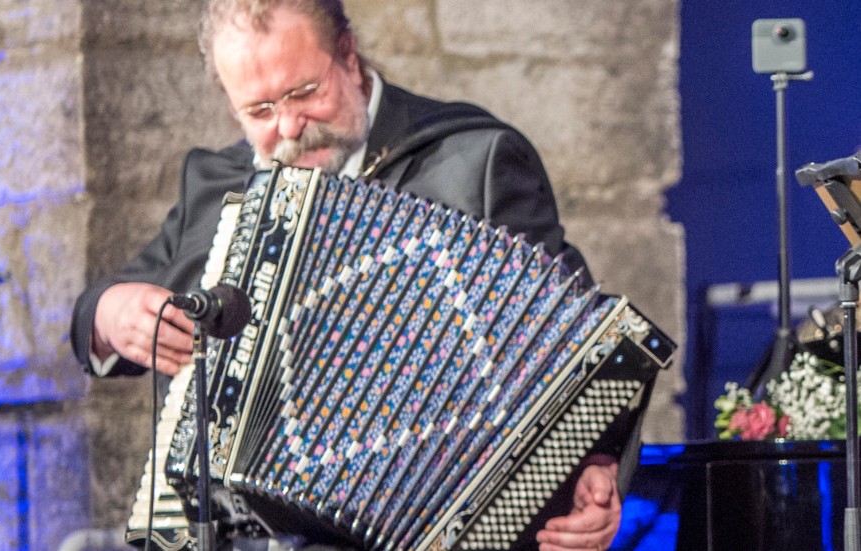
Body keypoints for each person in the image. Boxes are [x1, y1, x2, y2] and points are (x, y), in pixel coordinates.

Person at [71, 0, 625, 549]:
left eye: (305, 93)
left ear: (349, 56)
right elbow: (98, 313)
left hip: (412, 530)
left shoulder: (474, 162)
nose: (289, 127)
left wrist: (593, 466)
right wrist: (112, 314)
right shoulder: (216, 187)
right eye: (259, 111)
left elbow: (574, 355)